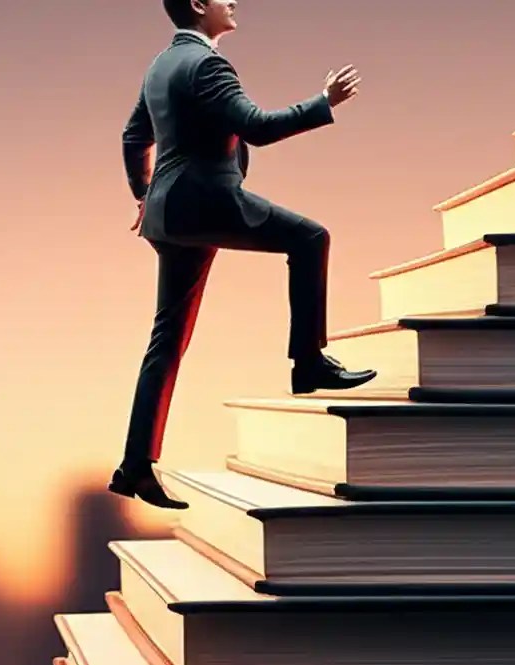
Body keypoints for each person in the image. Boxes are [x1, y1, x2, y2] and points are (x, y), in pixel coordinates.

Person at [110, 0, 377, 510]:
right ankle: (308, 363)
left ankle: (135, 466)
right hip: (207, 203)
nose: (233, 1)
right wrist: (323, 102)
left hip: (169, 215)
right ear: (197, 4)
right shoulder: (206, 64)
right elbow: (257, 126)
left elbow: (133, 136)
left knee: (166, 341)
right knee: (310, 238)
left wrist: (145, 195)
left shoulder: (162, 64)